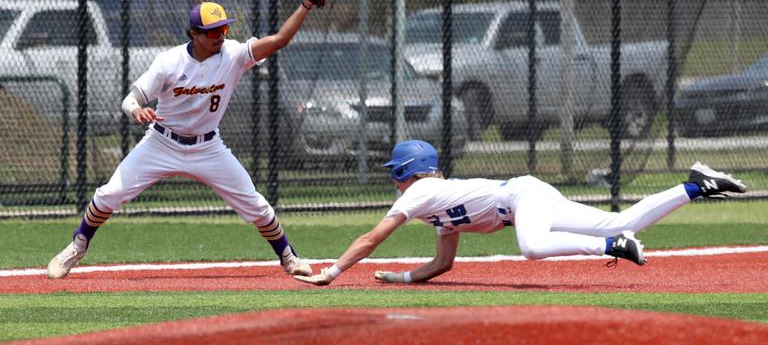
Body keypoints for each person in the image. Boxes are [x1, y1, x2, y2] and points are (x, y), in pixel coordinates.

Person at [48, 0, 332, 279]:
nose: (221, 35)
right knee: (109, 194)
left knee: (256, 205)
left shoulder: (234, 55)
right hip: (161, 142)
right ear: (195, 33)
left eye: (224, 28)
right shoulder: (169, 62)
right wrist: (135, 110)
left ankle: (289, 258)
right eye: (213, 31)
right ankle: (78, 246)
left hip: (208, 147)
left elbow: (280, 39)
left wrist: (306, 5)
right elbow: (131, 98)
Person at [295, 139, 747, 286]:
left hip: (521, 198)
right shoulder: (435, 203)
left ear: (410, 173)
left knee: (533, 248)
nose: (393, 180)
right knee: (621, 220)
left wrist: (333, 271)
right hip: (527, 194)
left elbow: (373, 238)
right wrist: (401, 278)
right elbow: (444, 263)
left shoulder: (417, 195)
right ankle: (696, 184)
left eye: (397, 172)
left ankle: (610, 247)